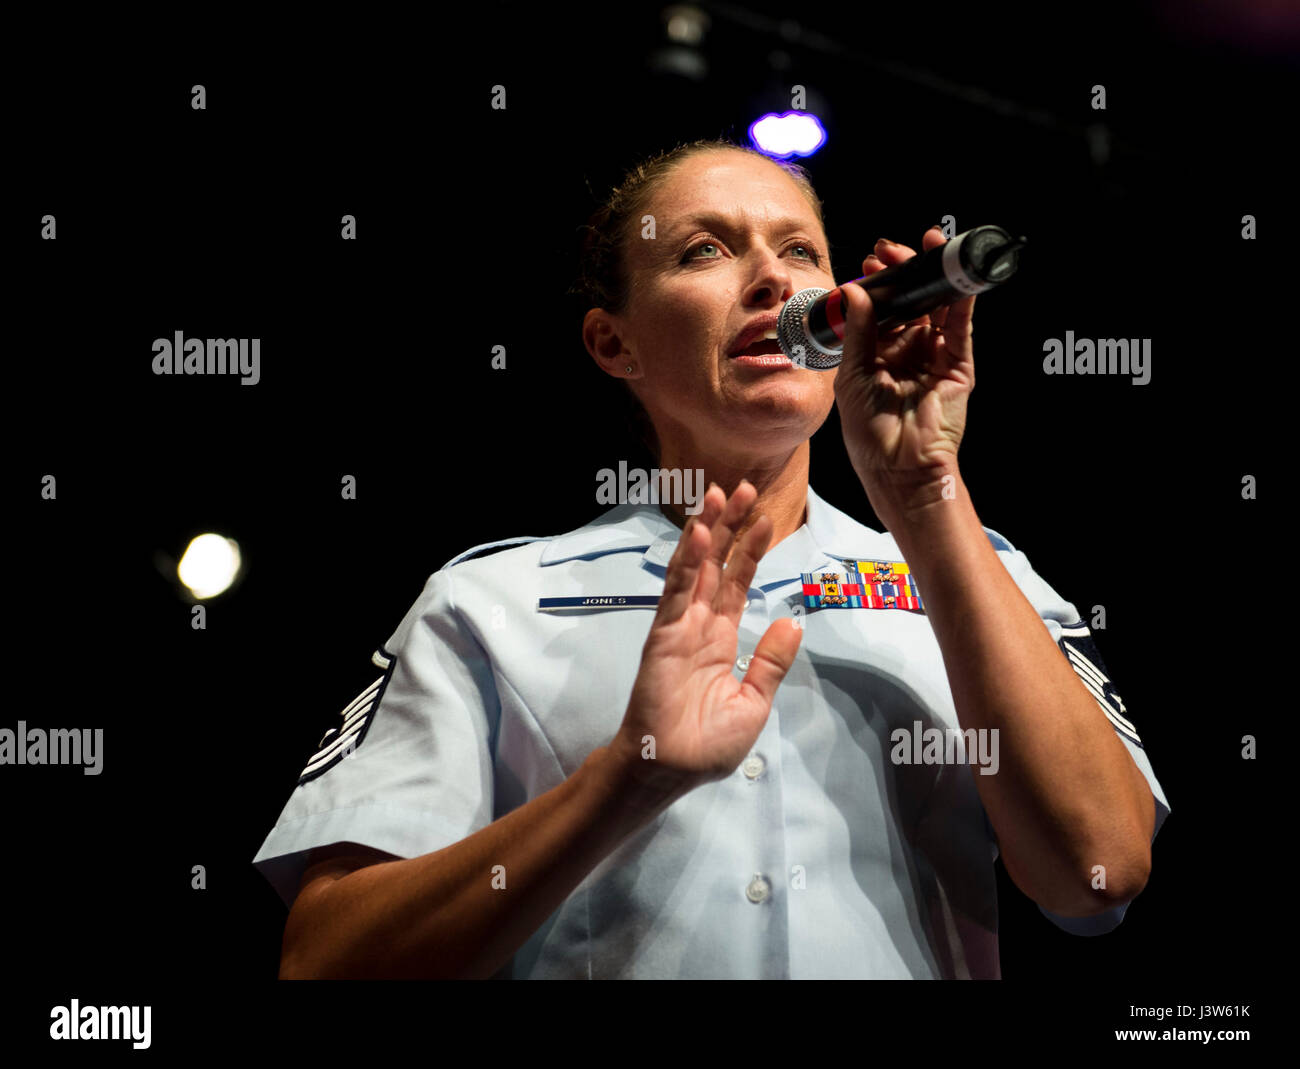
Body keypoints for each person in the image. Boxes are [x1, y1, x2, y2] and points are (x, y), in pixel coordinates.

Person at [252, 138, 1169, 979]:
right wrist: (628, 777)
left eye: (803, 253)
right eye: (705, 250)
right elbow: (327, 960)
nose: (776, 279)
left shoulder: (978, 571)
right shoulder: (490, 599)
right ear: (614, 342)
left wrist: (925, 494)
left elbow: (1099, 875)